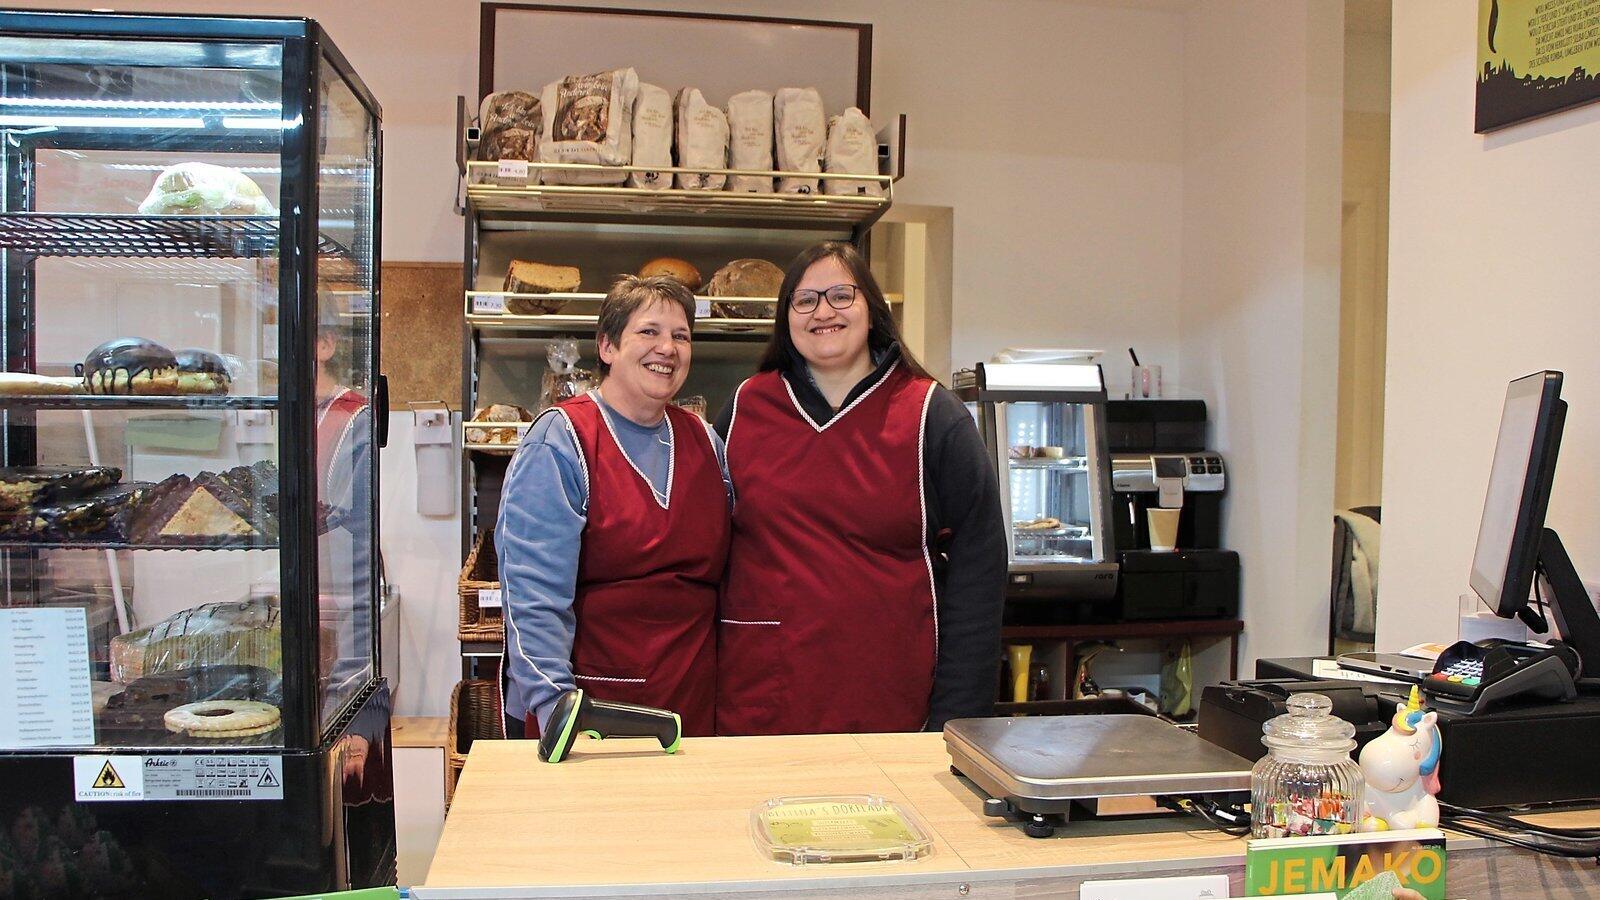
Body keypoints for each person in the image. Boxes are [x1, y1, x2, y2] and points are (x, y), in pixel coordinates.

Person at [713, 241, 1005, 735]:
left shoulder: (931, 413)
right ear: (786, 319)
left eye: (841, 295)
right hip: (762, 693)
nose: (822, 311)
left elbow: (980, 567)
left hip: (890, 694)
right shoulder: (746, 406)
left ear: (873, 308)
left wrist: (958, 714)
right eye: (804, 300)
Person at [499, 276, 732, 739]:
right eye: (649, 332)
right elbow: (533, 597)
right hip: (593, 711)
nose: (667, 347)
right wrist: (554, 706)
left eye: (681, 336)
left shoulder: (705, 441)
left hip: (695, 705)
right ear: (607, 346)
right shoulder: (562, 441)